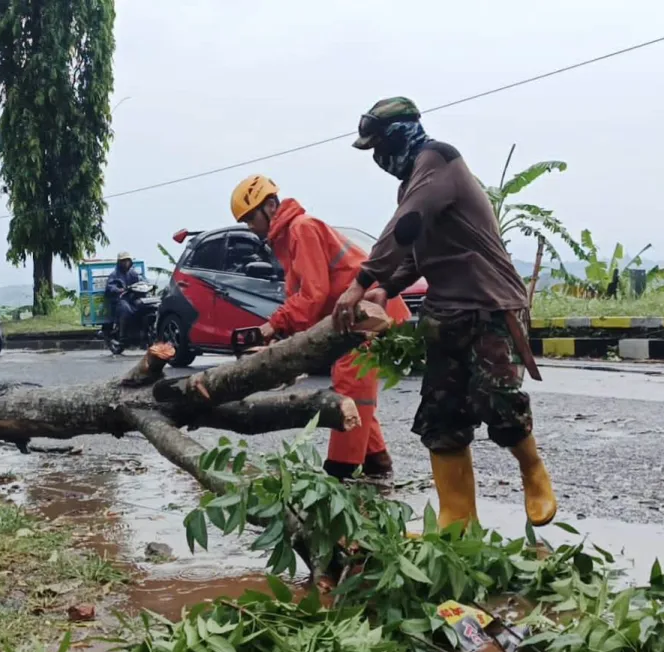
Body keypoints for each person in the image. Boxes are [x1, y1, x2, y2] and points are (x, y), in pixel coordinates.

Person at [333, 96, 557, 528]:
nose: (378, 158)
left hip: (491, 305)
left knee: (499, 402)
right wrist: (386, 288)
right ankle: (457, 523)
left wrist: (361, 282)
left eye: (379, 146)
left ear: (401, 135)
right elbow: (418, 251)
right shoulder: (413, 182)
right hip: (444, 313)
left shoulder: (439, 161)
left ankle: (533, 473)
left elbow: (408, 226)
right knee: (441, 417)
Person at [230, 174, 411, 481]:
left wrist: (271, 327)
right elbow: (306, 299)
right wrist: (282, 335)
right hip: (354, 319)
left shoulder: (302, 229)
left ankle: (341, 471)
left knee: (350, 387)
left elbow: (313, 294)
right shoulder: (286, 240)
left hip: (370, 314)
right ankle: (377, 462)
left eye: (251, 218)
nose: (251, 227)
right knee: (358, 394)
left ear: (271, 206)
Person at [105, 252, 141, 337]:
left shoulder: (133, 274)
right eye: (123, 261)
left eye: (127, 260)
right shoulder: (114, 274)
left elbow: (141, 281)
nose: (126, 263)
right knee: (126, 309)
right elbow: (110, 286)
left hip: (132, 298)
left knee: (143, 306)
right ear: (119, 262)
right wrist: (118, 290)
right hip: (120, 299)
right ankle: (122, 334)